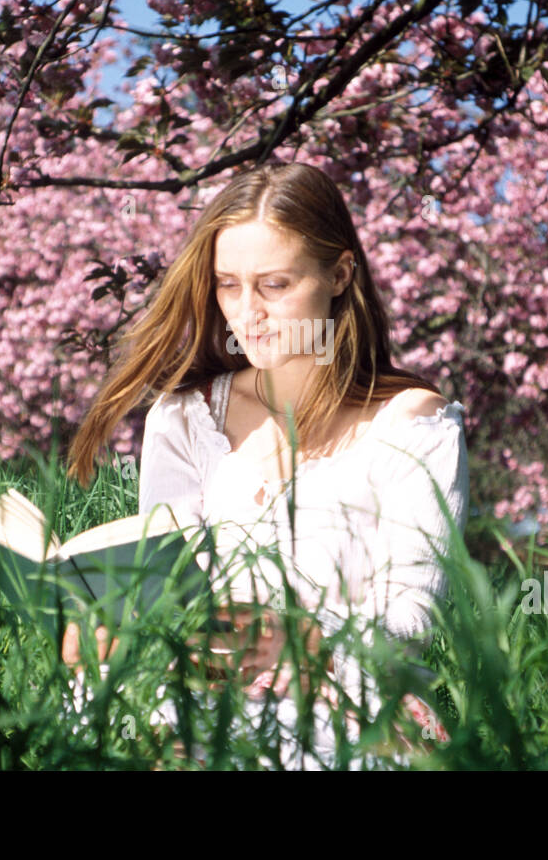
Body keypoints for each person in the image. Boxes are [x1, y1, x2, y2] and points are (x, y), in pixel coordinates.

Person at [64, 161, 469, 768]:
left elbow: (413, 612)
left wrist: (311, 637)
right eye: (228, 285)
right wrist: (110, 633)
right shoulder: (184, 419)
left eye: (274, 285)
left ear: (339, 274)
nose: (246, 311)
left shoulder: (413, 423)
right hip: (197, 691)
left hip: (346, 696)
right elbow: (166, 588)